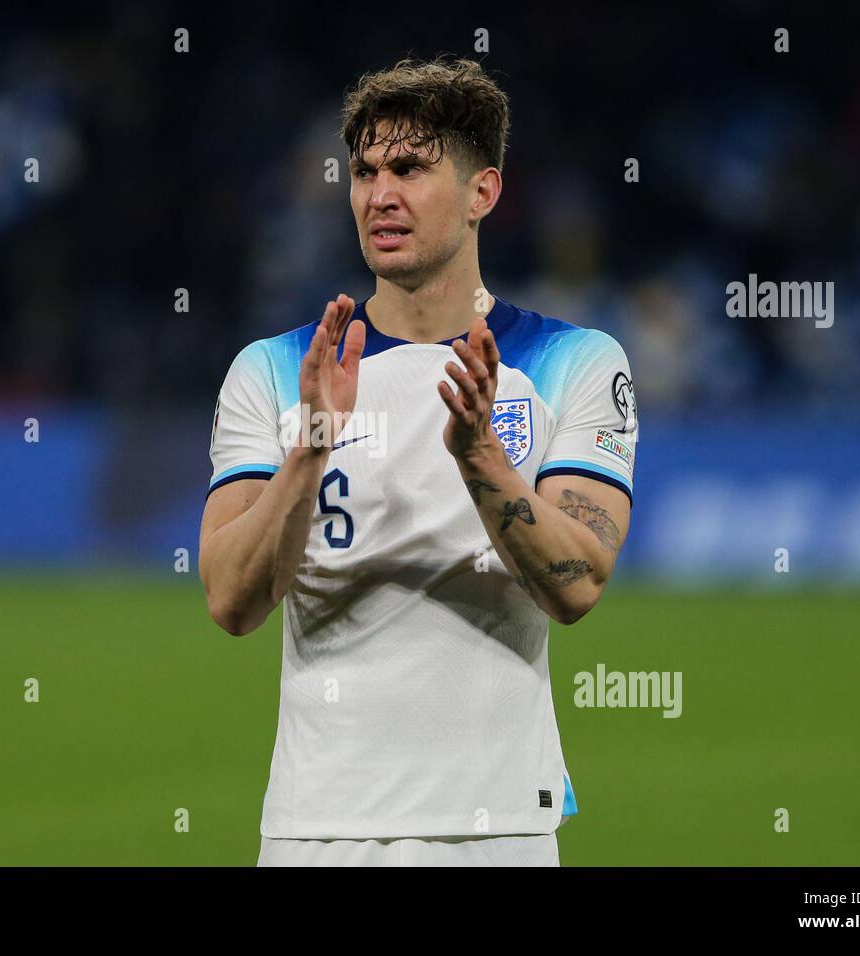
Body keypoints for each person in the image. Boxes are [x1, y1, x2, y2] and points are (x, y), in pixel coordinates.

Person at [199, 56, 637, 866]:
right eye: (364, 172)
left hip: (498, 827)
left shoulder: (573, 360)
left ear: (484, 193)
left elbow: (577, 585)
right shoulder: (276, 370)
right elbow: (230, 601)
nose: (379, 195)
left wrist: (480, 460)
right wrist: (309, 452)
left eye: (410, 168)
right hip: (315, 829)